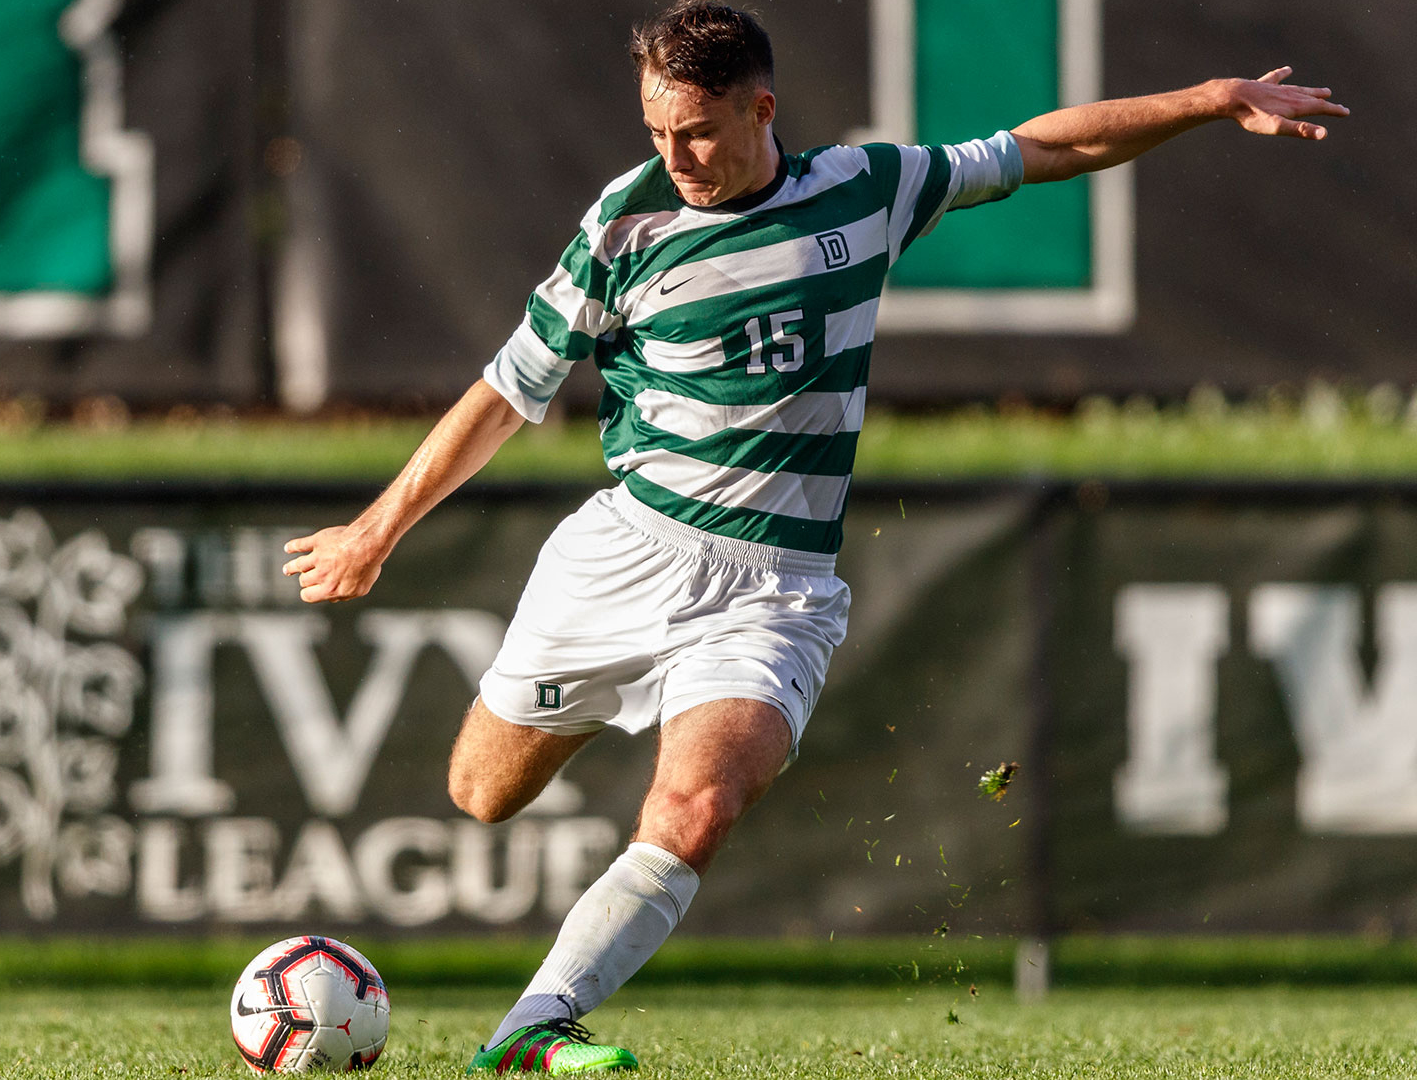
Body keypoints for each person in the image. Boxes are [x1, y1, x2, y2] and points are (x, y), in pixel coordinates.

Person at [283, 2, 1347, 1071]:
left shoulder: (865, 189)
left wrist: (1213, 101)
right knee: (481, 794)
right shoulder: (625, 224)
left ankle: (532, 1030)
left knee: (697, 806)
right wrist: (377, 531)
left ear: (763, 108)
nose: (676, 155)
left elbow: (1047, 145)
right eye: (655, 130)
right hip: (623, 556)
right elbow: (507, 392)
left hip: (774, 591)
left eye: (696, 130)